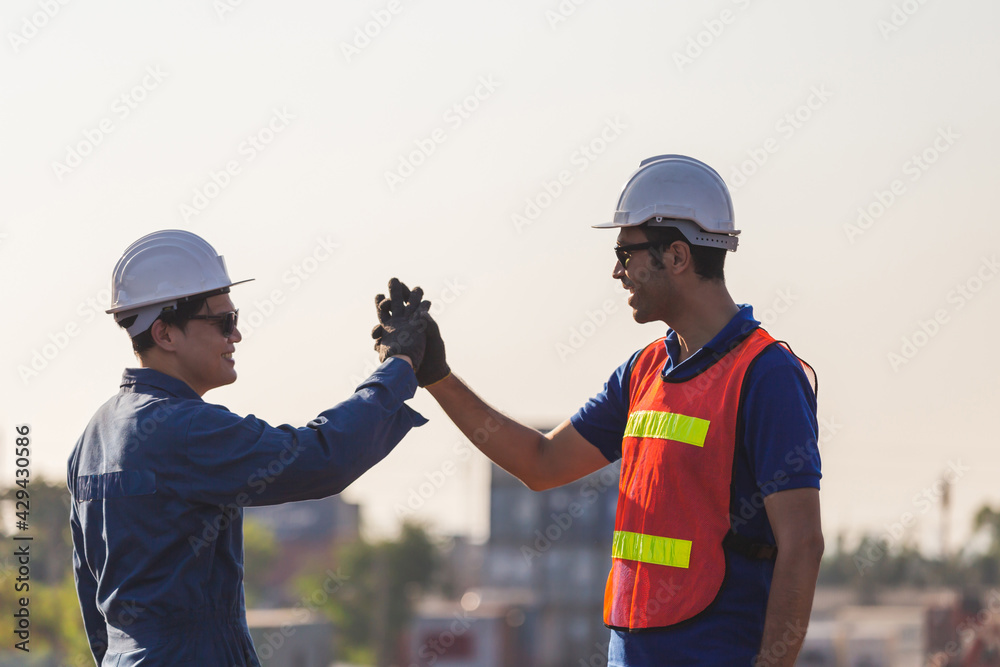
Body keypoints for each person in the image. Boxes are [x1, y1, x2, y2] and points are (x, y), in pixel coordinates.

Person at [379, 155, 825, 666]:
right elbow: (542, 463)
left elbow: (802, 545)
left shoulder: (766, 376)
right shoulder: (644, 371)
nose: (617, 271)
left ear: (677, 255)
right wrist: (436, 374)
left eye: (626, 252)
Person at [68, 230, 430, 665]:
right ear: (164, 333)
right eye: (222, 322)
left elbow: (94, 604)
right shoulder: (185, 429)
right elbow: (318, 457)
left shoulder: (91, 437)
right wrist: (399, 367)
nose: (236, 335)